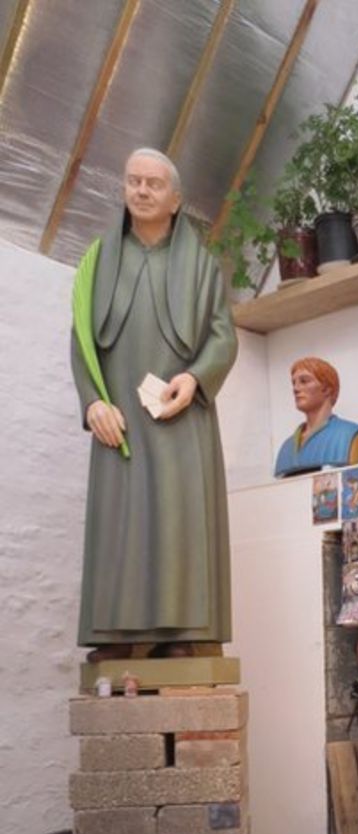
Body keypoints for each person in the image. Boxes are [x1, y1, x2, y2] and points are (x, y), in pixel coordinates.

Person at [71, 148, 237, 662]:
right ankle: (123, 639)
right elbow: (80, 339)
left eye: (153, 184)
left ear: (176, 199)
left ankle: (183, 635)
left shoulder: (202, 266)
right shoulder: (98, 261)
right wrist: (93, 402)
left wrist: (194, 378)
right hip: (119, 424)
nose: (141, 191)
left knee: (181, 519)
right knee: (121, 523)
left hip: (179, 420)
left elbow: (223, 337)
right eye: (133, 182)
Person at [274, 358, 358, 476]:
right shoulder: (286, 448)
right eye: (294, 383)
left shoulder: (347, 436)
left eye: (304, 381)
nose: (296, 388)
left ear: (327, 389)